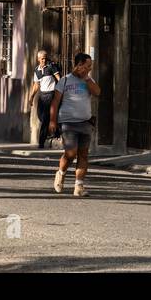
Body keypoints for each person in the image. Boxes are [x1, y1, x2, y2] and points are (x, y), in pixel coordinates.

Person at [49, 52, 100, 198]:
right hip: (68, 123)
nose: (89, 68)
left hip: (85, 123)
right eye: (87, 65)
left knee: (83, 155)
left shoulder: (88, 80)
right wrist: (52, 121)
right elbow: (55, 102)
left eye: (90, 66)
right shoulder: (64, 81)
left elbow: (97, 92)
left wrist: (86, 78)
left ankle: (79, 186)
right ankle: (61, 173)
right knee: (71, 154)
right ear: (79, 65)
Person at [23, 50, 62, 148]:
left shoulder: (51, 67)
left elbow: (59, 78)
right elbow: (36, 84)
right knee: (40, 116)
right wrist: (31, 97)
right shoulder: (37, 70)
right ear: (38, 59)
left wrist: (61, 91)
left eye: (45, 58)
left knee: (45, 119)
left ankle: (41, 142)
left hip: (51, 94)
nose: (44, 60)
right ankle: (56, 132)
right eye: (42, 59)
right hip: (42, 95)